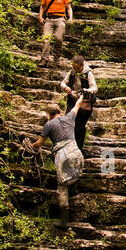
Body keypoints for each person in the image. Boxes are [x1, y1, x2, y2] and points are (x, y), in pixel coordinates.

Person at [26, 97, 85, 227]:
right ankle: (74, 190)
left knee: (62, 187)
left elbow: (40, 143)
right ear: (60, 111)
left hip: (63, 156)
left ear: (49, 115)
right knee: (73, 176)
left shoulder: (48, 125)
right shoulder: (69, 117)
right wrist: (83, 95)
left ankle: (64, 222)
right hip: (76, 153)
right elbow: (78, 104)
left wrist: (30, 145)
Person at [61, 55, 98, 151]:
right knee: (68, 122)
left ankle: (79, 148)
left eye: (77, 68)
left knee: (80, 127)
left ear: (82, 65)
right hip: (72, 101)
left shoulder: (88, 73)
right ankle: (67, 146)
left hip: (83, 103)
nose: (75, 70)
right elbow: (63, 83)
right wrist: (65, 87)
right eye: (74, 67)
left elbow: (94, 87)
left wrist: (88, 90)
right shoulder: (71, 72)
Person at [38, 0, 73, 65]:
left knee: (58, 38)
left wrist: (70, 18)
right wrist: (40, 17)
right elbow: (42, 6)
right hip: (49, 19)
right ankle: (44, 59)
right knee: (46, 39)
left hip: (60, 18)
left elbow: (69, 8)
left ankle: (56, 57)